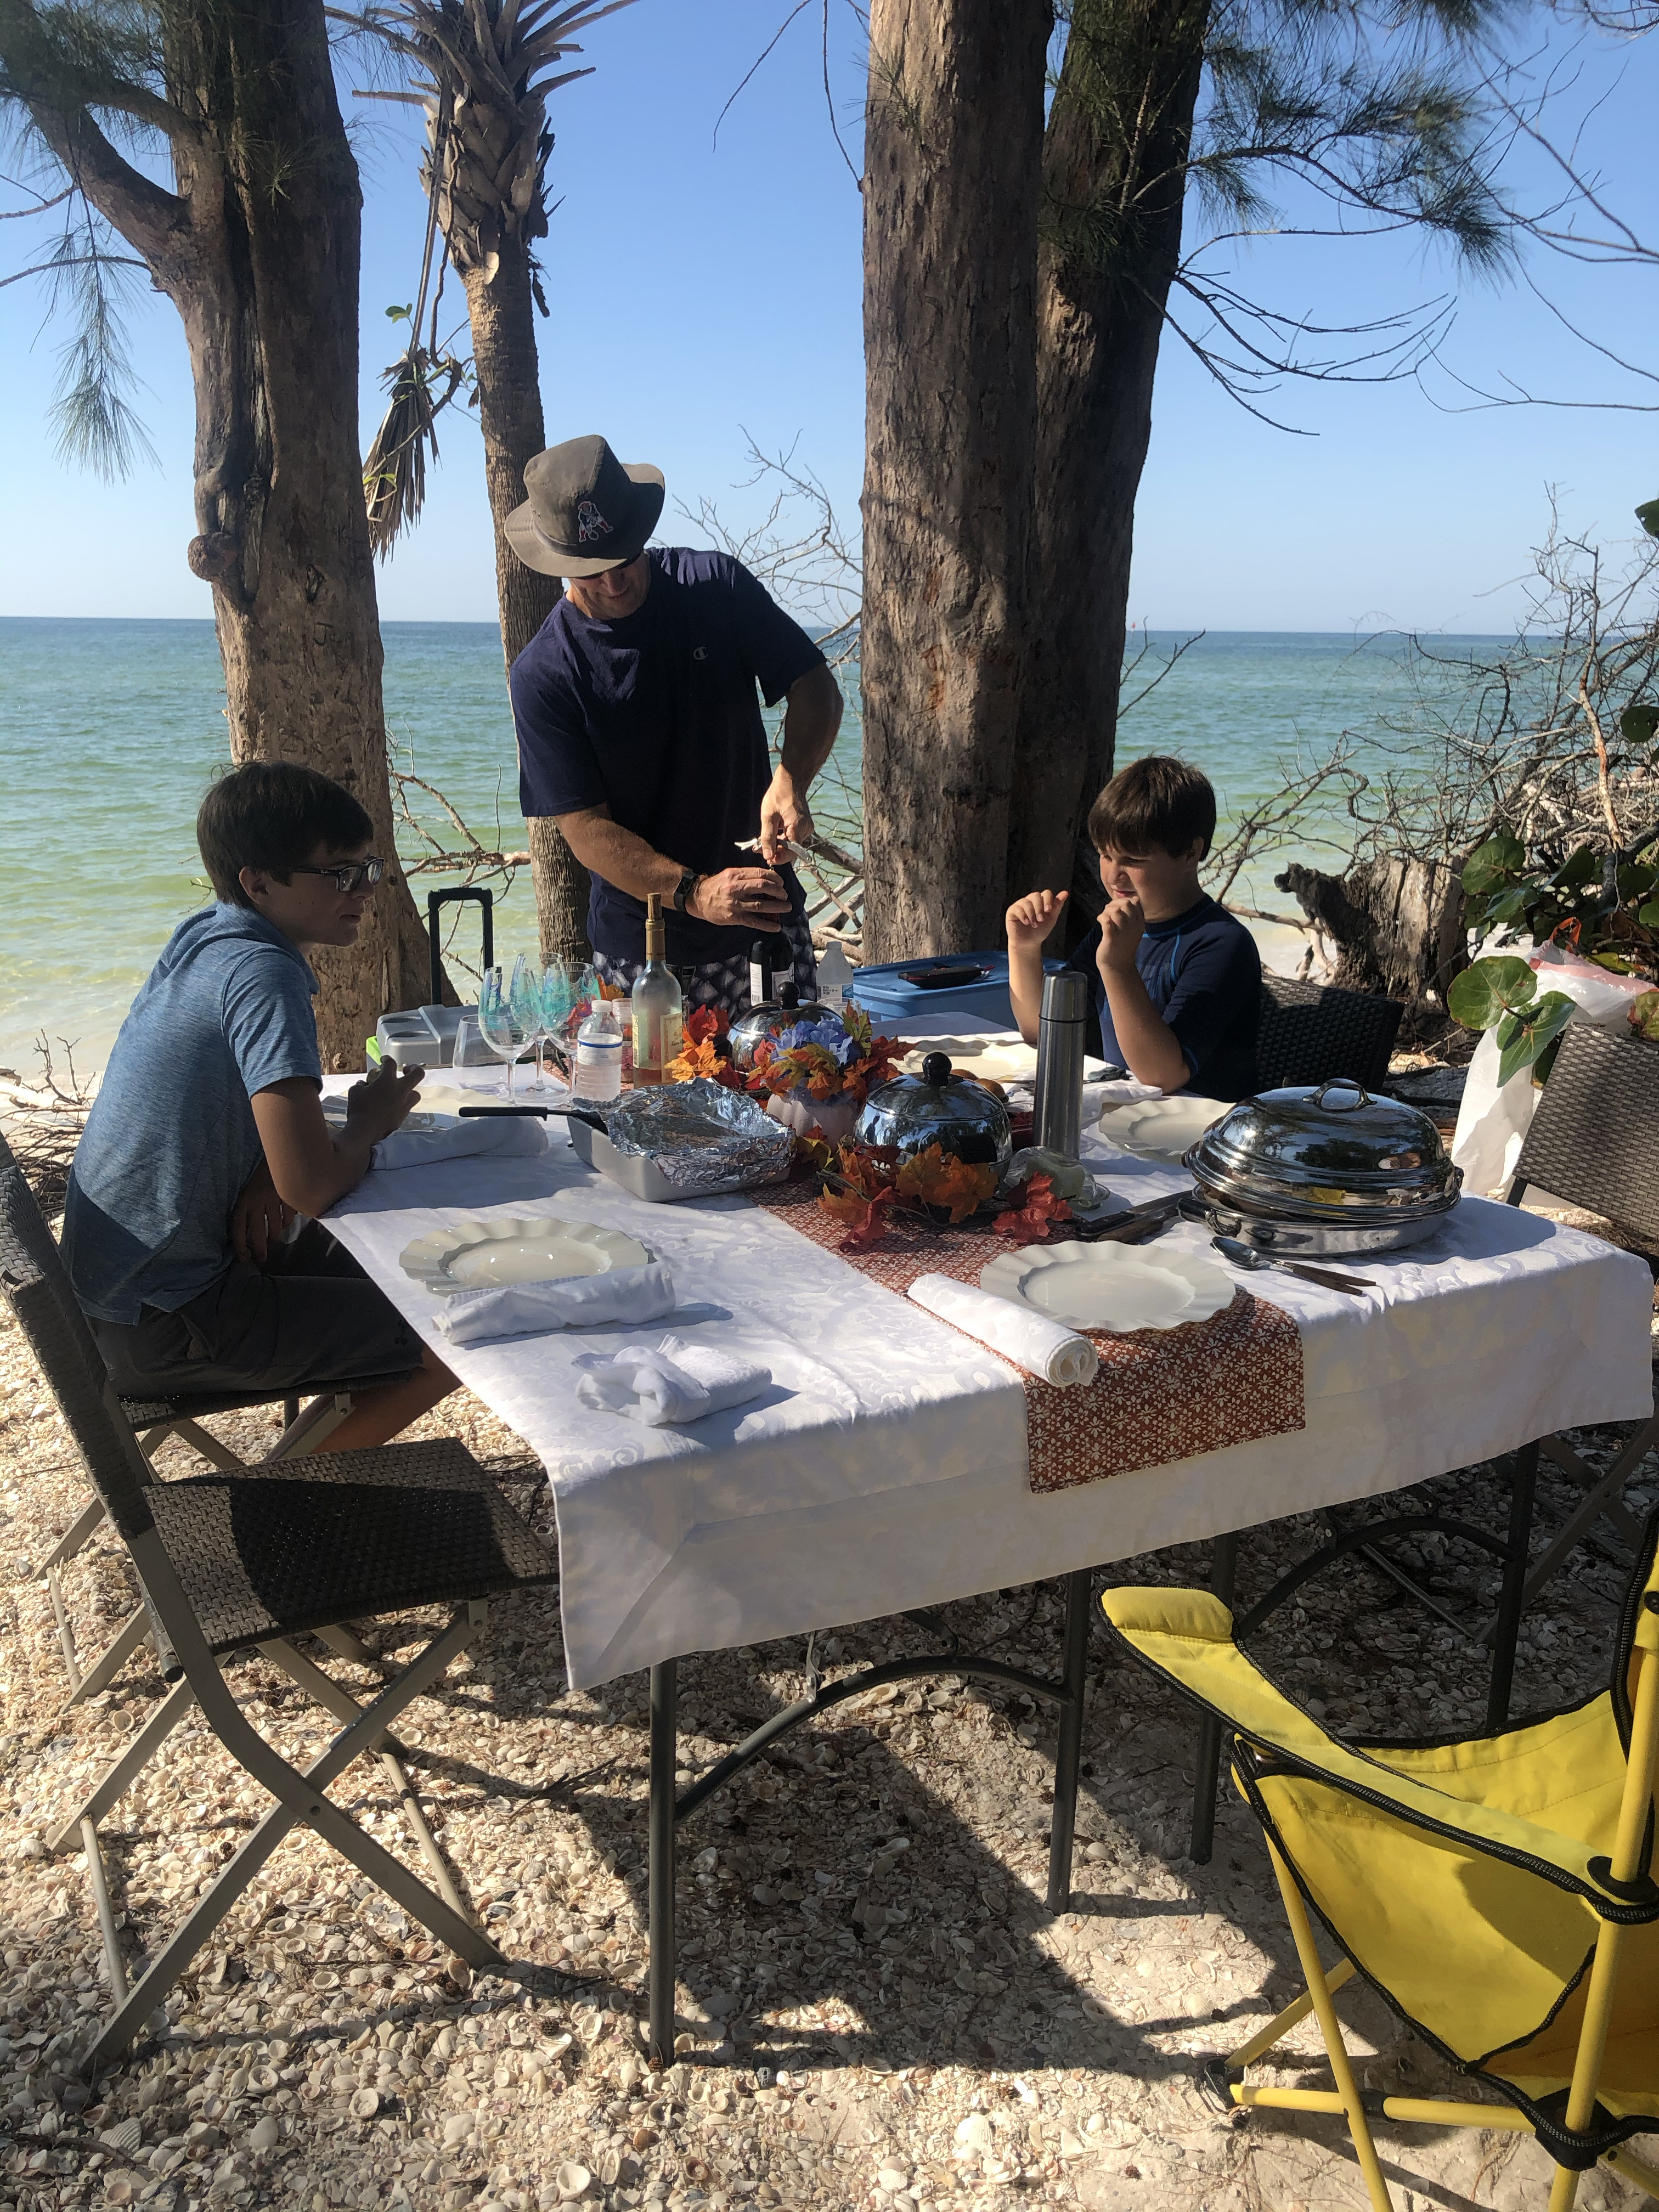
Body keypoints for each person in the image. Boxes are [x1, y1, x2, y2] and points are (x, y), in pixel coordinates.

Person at [63, 763, 458, 1452]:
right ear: (259, 881)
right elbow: (308, 1188)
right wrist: (370, 1123)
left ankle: (314, 1455)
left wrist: (256, 1171)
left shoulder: (208, 937)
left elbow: (207, 1099)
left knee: (406, 1256)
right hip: (166, 1318)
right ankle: (292, 1492)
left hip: (114, 1298)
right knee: (455, 1334)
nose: (367, 889)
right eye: (338, 874)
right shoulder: (265, 975)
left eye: (368, 866)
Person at [505, 433, 844, 1013]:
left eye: (625, 557)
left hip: (769, 926)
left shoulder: (715, 588)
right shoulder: (543, 673)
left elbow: (815, 687)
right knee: (658, 1105)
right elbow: (586, 829)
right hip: (645, 956)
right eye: (592, 570)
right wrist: (694, 892)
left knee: (799, 1098)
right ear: (557, 562)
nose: (614, 583)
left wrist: (790, 781)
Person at [1006, 755, 1261, 1099]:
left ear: (1190, 852)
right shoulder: (1114, 929)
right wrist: (1024, 949)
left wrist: (1117, 966)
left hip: (1198, 1130)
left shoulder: (1221, 943)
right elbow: (1042, 1032)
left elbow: (1162, 1076)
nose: (1113, 875)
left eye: (1133, 860)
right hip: (1127, 1112)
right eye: (1105, 855)